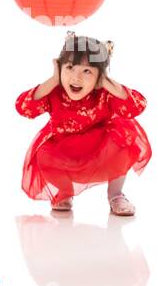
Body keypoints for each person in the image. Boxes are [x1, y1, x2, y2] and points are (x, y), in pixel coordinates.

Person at [15, 33, 150, 216]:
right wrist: (53, 80)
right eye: (70, 67)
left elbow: (137, 105)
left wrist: (107, 83)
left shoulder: (103, 93)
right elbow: (24, 107)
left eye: (87, 71)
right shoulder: (54, 91)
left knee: (123, 140)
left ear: (98, 77)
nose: (76, 77)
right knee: (43, 155)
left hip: (98, 149)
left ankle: (116, 195)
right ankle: (64, 193)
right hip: (64, 149)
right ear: (59, 68)